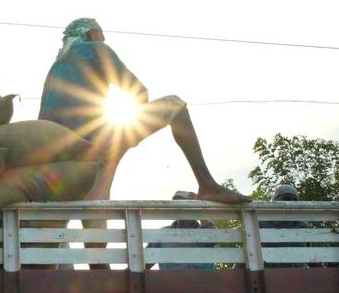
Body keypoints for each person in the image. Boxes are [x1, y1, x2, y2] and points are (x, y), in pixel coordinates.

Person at [37, 17, 250, 204]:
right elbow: (139, 93)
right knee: (176, 106)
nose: (103, 41)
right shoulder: (95, 48)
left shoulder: (56, 67)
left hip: (59, 156)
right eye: (102, 36)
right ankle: (208, 185)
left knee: (97, 215)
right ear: (92, 34)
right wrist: (131, 135)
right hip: (94, 143)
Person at [148, 191, 216, 270]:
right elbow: (144, 262)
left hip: (204, 281)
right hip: (171, 282)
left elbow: (215, 239)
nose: (179, 209)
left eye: (185, 205)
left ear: (194, 208)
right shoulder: (162, 233)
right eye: (176, 206)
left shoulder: (204, 231)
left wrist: (201, 210)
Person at [263, 183, 308, 268]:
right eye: (286, 198)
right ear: (275, 201)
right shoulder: (261, 225)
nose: (290, 203)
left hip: (300, 276)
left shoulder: (301, 225)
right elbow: (246, 255)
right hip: (271, 277)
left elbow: (314, 254)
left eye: (294, 200)